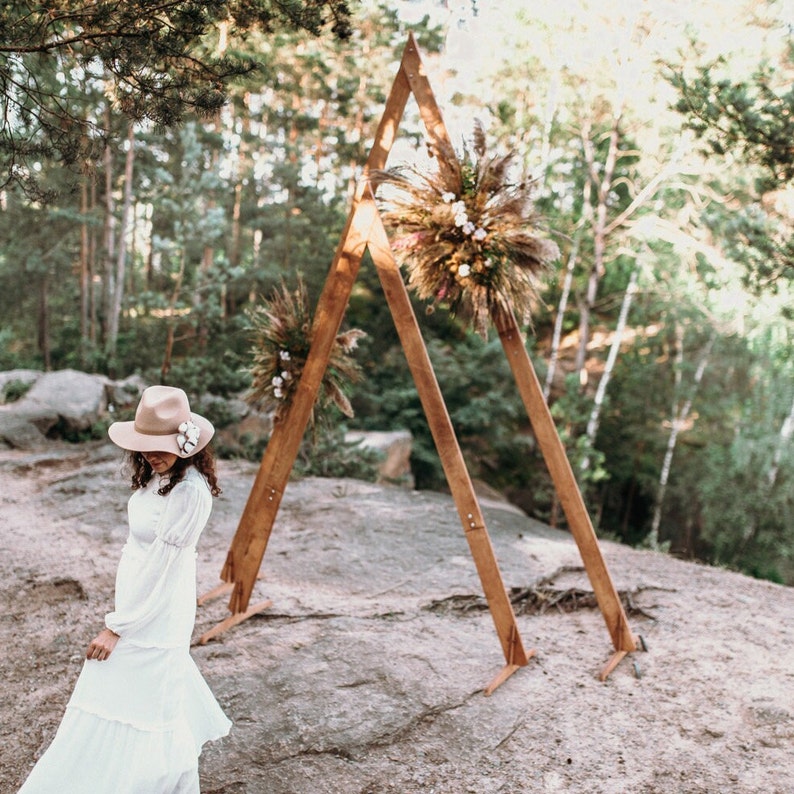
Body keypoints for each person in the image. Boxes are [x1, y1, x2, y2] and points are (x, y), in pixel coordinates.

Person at [18, 385, 232, 794]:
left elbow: (163, 568)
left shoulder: (189, 491)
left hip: (159, 606)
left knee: (142, 693)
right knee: (128, 691)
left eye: (161, 446)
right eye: (145, 445)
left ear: (185, 445)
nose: (152, 454)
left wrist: (118, 626)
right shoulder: (158, 476)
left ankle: (151, 780)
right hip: (137, 596)